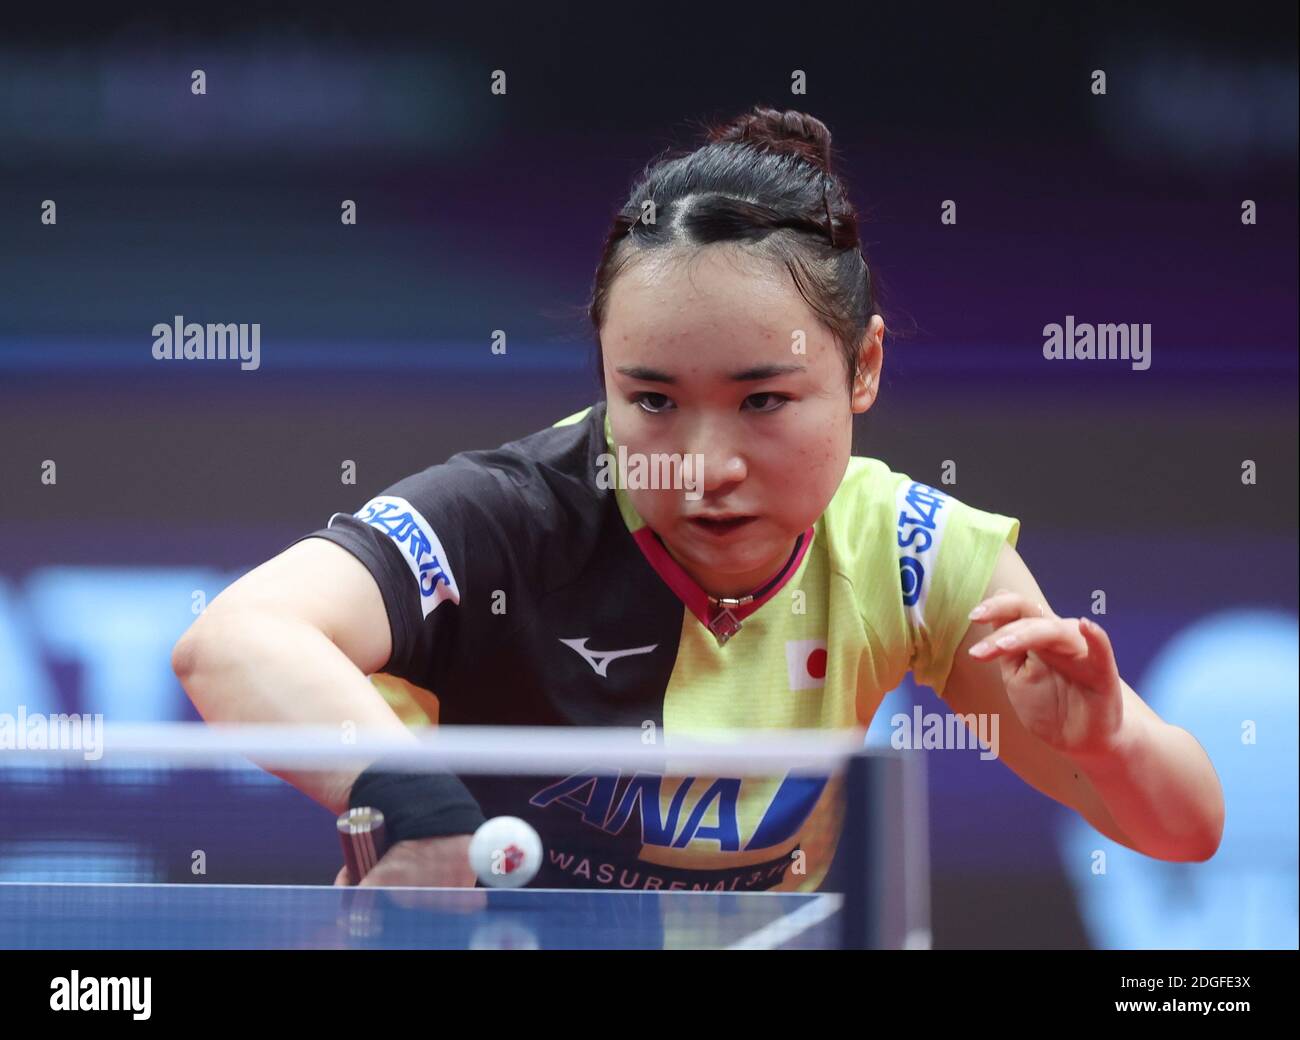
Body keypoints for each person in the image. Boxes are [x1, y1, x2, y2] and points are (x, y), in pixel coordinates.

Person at [172, 106, 1224, 893]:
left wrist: (1106, 743)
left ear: (862, 369)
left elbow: (1185, 830)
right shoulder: (512, 521)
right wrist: (412, 806)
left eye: (763, 398)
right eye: (653, 400)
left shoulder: (909, 552)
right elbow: (232, 639)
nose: (703, 464)